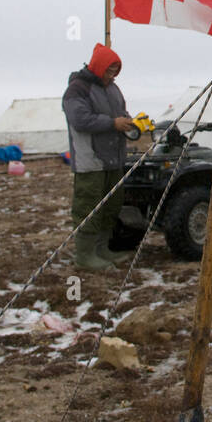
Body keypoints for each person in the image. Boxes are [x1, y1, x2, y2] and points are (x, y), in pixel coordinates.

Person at [62, 43, 134, 271]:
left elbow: (122, 113)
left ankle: (102, 249)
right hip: (90, 160)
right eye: (109, 69)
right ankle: (85, 255)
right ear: (98, 66)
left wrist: (131, 123)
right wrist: (113, 124)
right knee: (89, 207)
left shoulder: (113, 89)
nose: (112, 74)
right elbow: (80, 120)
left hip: (114, 158)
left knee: (110, 206)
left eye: (115, 70)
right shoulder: (77, 89)